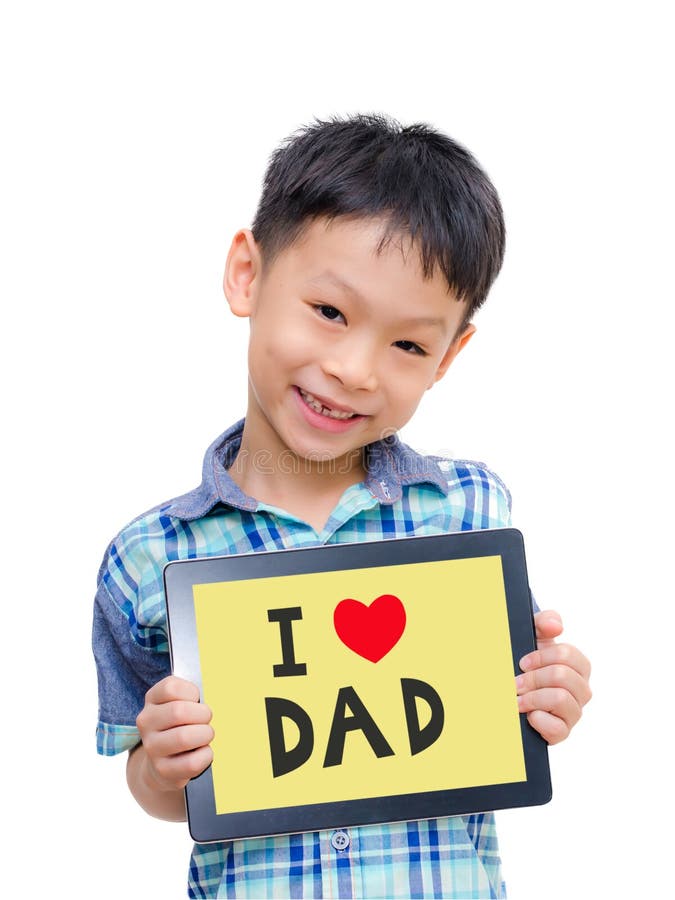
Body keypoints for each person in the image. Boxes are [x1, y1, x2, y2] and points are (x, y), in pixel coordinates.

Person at [93, 114, 591, 899]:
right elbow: (150, 781)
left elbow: (501, 713)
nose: (353, 369)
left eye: (407, 345)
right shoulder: (150, 556)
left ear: (448, 357)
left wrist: (548, 696)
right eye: (329, 312)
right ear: (247, 275)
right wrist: (160, 764)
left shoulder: (466, 510)